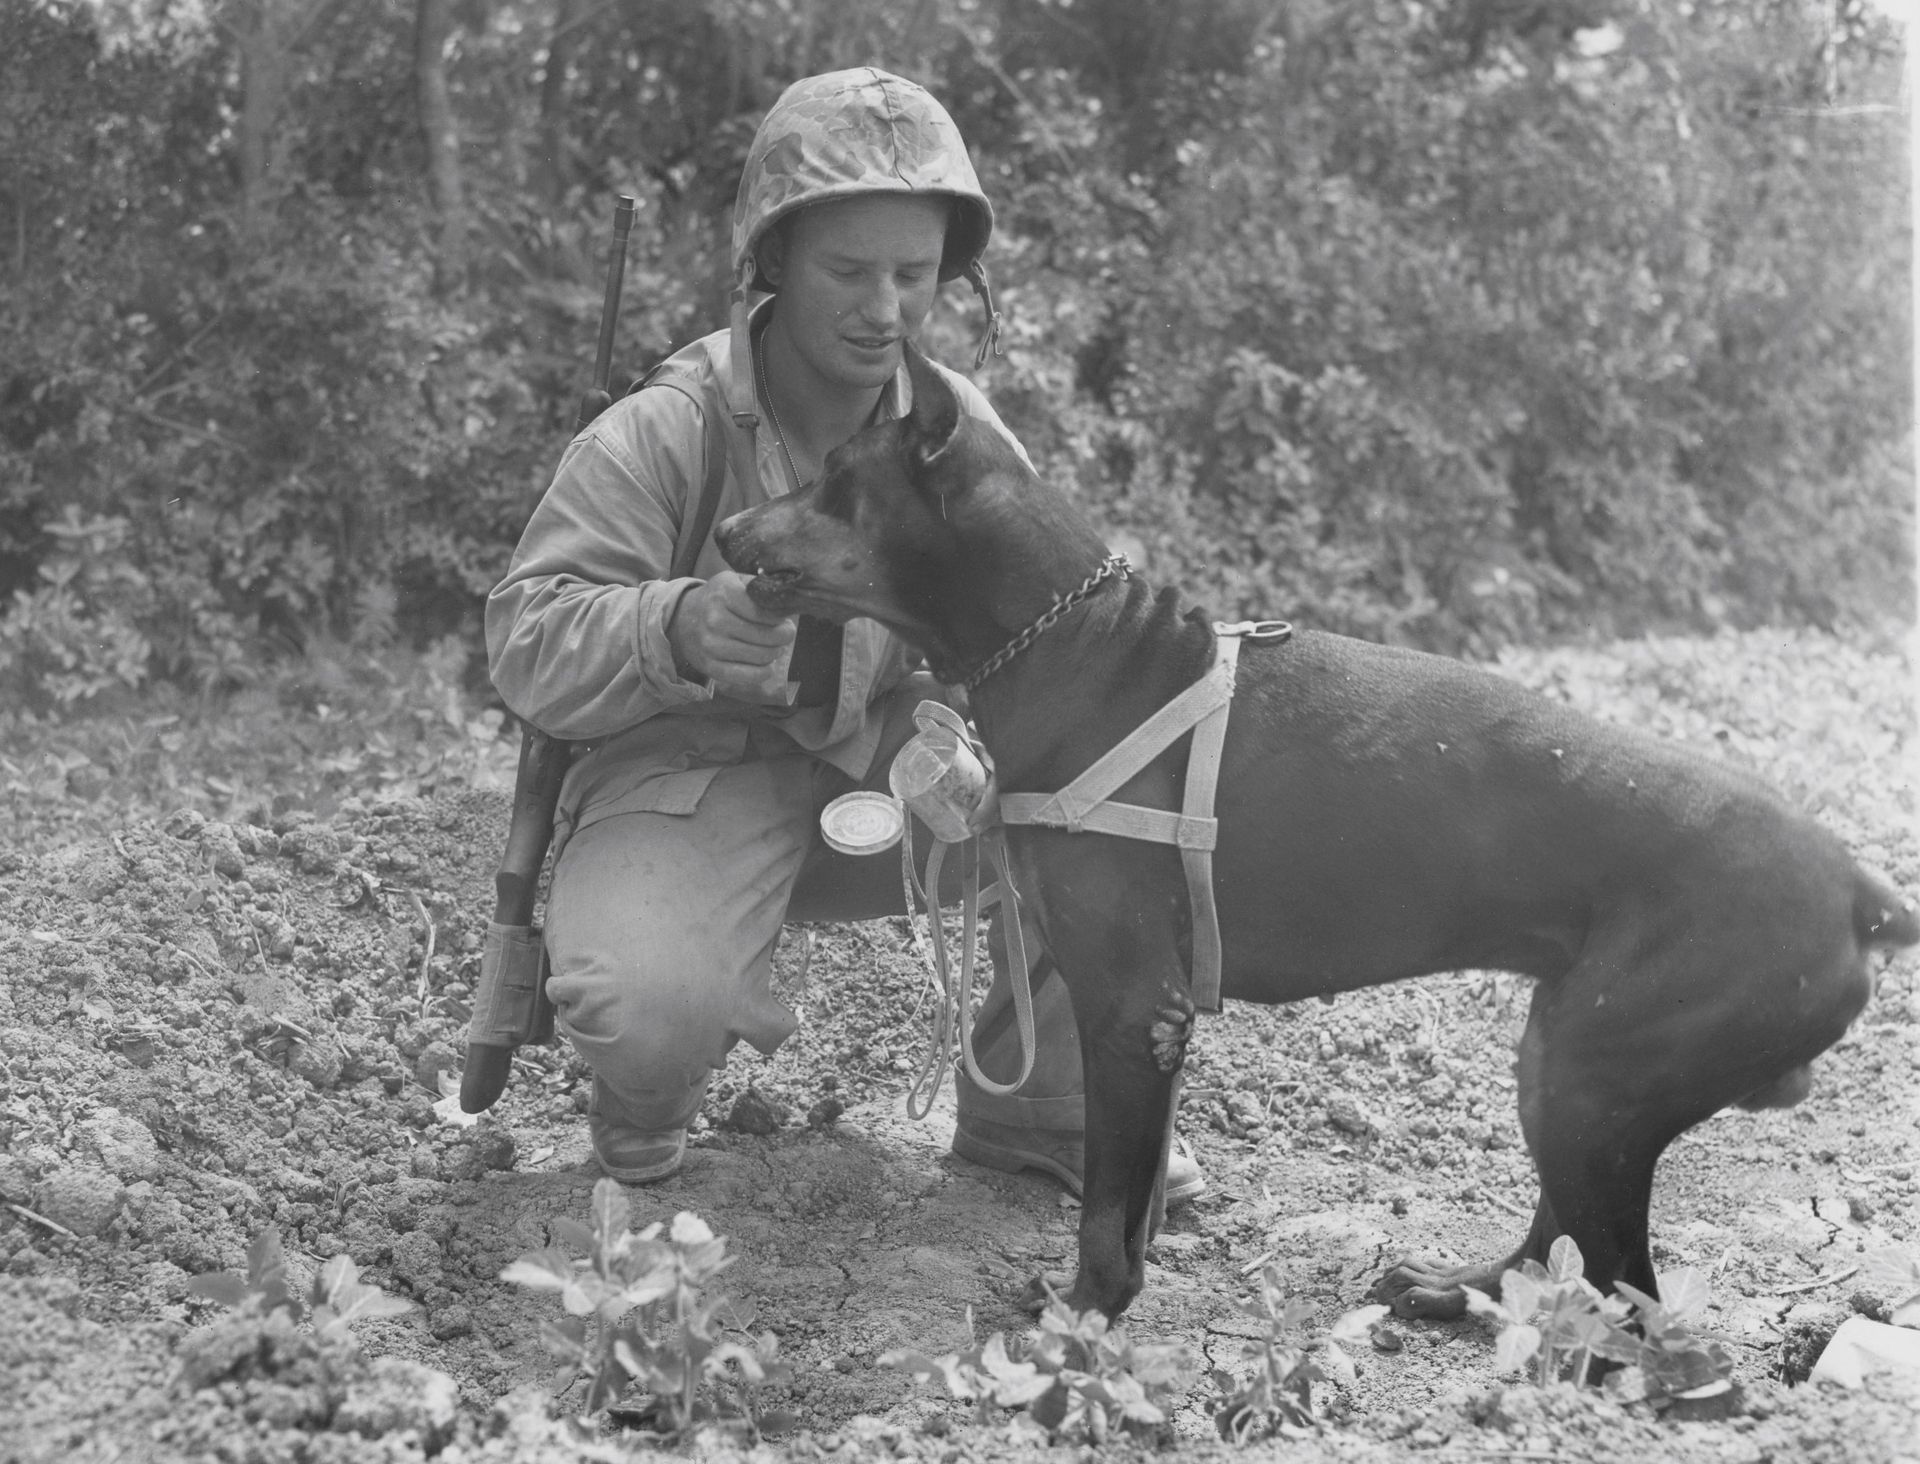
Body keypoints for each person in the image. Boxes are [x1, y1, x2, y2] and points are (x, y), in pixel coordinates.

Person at [486, 67, 1202, 1206]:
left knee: (1103, 793)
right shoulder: (663, 434)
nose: (886, 310)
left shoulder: (955, 433)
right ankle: (644, 1116)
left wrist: (983, 728)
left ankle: (1049, 1108)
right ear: (771, 263)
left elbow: (1057, 633)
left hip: (885, 769)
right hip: (690, 780)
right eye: (849, 272)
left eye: (914, 276)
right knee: (645, 1009)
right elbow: (524, 640)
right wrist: (676, 626)